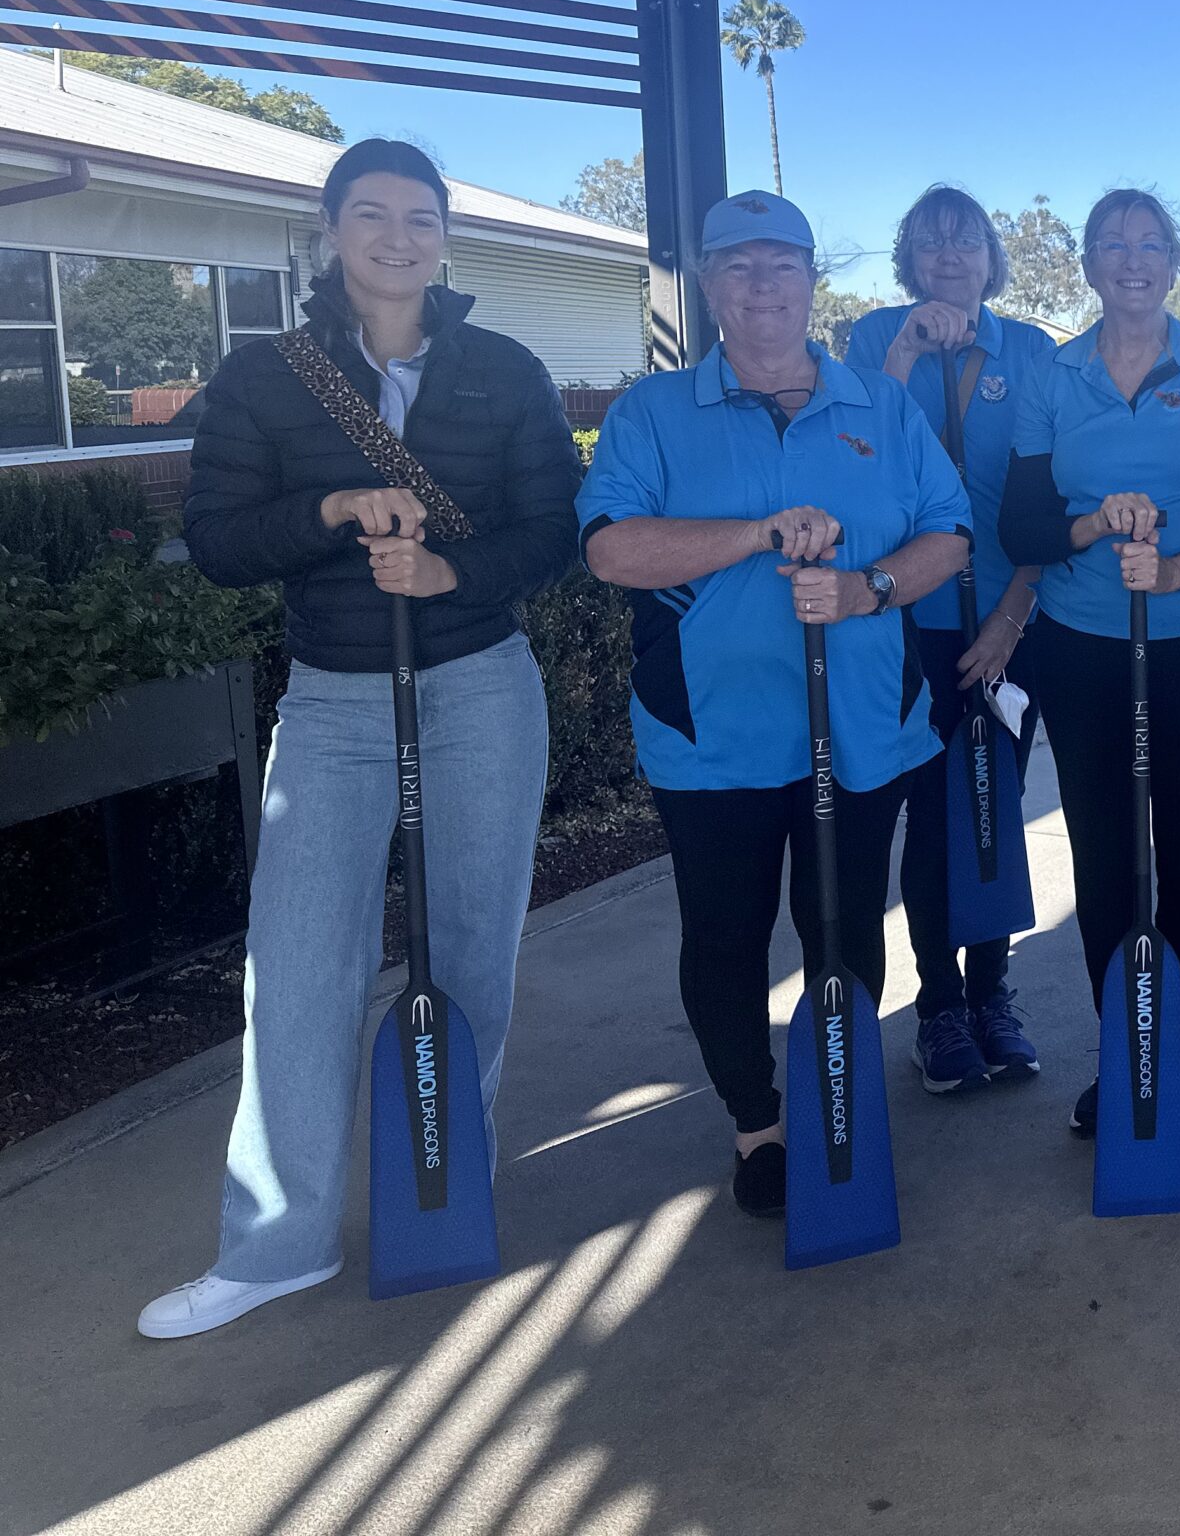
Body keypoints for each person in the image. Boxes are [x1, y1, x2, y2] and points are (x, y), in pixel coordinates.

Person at [143, 138, 577, 1338]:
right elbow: (221, 542)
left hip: (481, 684)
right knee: (295, 966)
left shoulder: (502, 366)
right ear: (329, 229)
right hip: (334, 699)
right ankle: (277, 1241)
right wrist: (332, 507)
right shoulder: (265, 376)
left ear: (446, 236)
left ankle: (446, 1185)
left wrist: (449, 568)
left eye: (423, 216)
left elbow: (552, 528)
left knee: (473, 949)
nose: (400, 236)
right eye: (374, 214)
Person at [580, 191, 971, 1219]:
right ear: (710, 286)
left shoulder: (880, 407)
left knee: (844, 929)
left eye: (783, 265)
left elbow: (949, 533)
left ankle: (837, 1095)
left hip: (865, 724)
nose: (763, 286)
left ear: (812, 280)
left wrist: (868, 588)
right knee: (725, 935)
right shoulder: (653, 412)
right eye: (739, 267)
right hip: (711, 733)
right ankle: (757, 1125)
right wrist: (754, 534)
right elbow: (612, 547)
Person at [1000, 189, 1180, 1137]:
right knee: (1107, 857)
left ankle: (1177, 1048)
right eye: (1114, 244)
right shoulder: (1052, 375)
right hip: (1082, 650)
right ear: (1089, 265)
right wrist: (1092, 521)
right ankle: (1125, 1045)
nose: (1134, 259)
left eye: (1151, 243)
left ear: (1173, 261)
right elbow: (1019, 521)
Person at [843, 185, 1056, 1094]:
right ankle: (938, 1008)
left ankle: (993, 994)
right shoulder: (870, 340)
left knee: (992, 813)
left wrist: (1013, 618)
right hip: (908, 624)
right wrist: (903, 351)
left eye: (964, 239)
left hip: (1009, 621)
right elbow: (851, 453)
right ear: (909, 257)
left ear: (989, 255)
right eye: (928, 241)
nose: (947, 254)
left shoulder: (1033, 352)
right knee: (931, 821)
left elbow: (1055, 500)